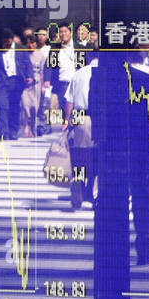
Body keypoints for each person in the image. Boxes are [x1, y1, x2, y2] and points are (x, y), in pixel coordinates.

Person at [90, 49, 149, 266]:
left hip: (110, 152)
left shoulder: (97, 81)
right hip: (140, 150)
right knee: (142, 201)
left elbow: (95, 118)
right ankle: (143, 247)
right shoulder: (144, 79)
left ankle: (115, 251)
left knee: (112, 202)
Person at [64, 48, 98, 210]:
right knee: (96, 155)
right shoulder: (107, 73)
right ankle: (90, 190)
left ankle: (78, 182)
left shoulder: (79, 73)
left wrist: (67, 121)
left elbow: (69, 99)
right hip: (97, 117)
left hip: (79, 116)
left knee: (79, 154)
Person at [0, 29, 21, 141]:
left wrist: (28, 77)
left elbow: (26, 63)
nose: (7, 44)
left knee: (14, 107)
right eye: (5, 42)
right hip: (1, 83)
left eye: (9, 42)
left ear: (12, 40)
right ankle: (3, 132)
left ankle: (13, 131)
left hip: (15, 82)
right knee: (2, 107)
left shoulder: (20, 49)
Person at [51, 24, 77, 118]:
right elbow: (50, 66)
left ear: (70, 32)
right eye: (61, 32)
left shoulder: (79, 47)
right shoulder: (55, 48)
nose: (63, 34)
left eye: (65, 31)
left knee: (76, 109)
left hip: (76, 82)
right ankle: (65, 130)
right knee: (64, 109)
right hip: (62, 83)